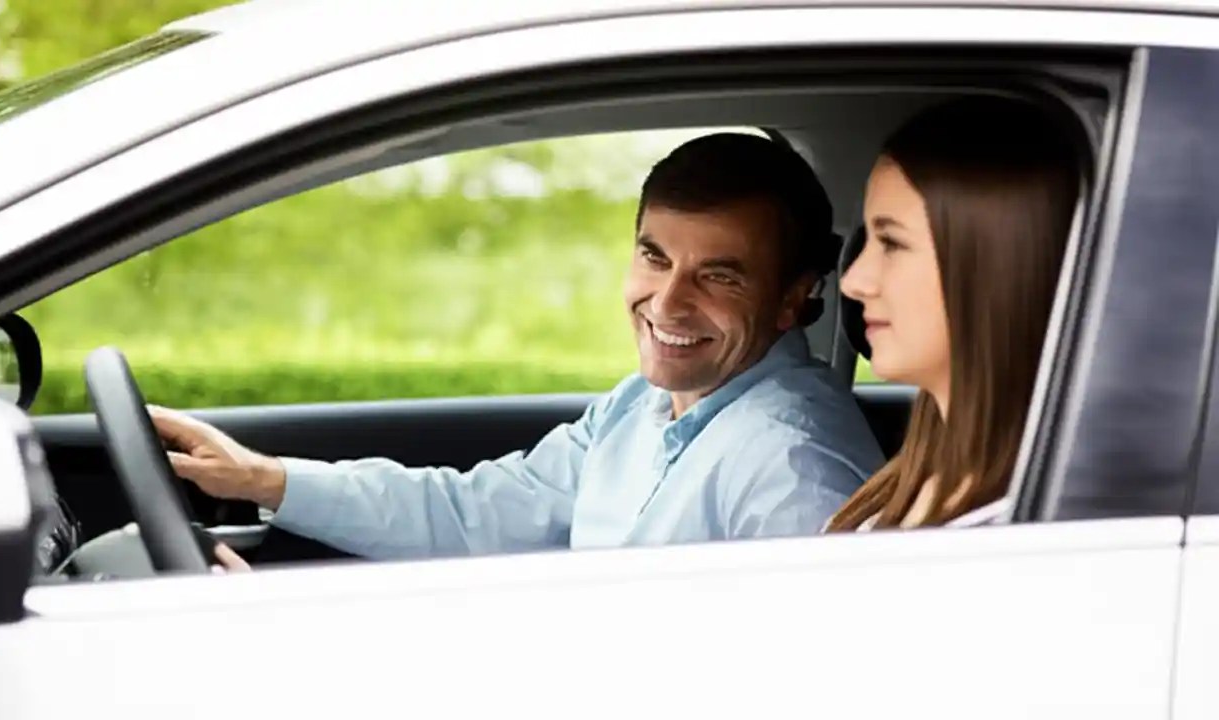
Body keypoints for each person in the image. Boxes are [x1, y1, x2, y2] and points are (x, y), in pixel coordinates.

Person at [152, 133, 884, 562]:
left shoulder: (794, 466)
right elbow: (476, 513)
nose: (666, 303)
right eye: (654, 258)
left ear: (797, 296)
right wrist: (264, 479)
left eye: (718, 276)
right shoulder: (642, 406)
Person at [826, 96, 1082, 532]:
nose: (852, 281)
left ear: (996, 271)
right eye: (867, 240)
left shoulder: (1023, 529)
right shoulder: (910, 481)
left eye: (892, 243)